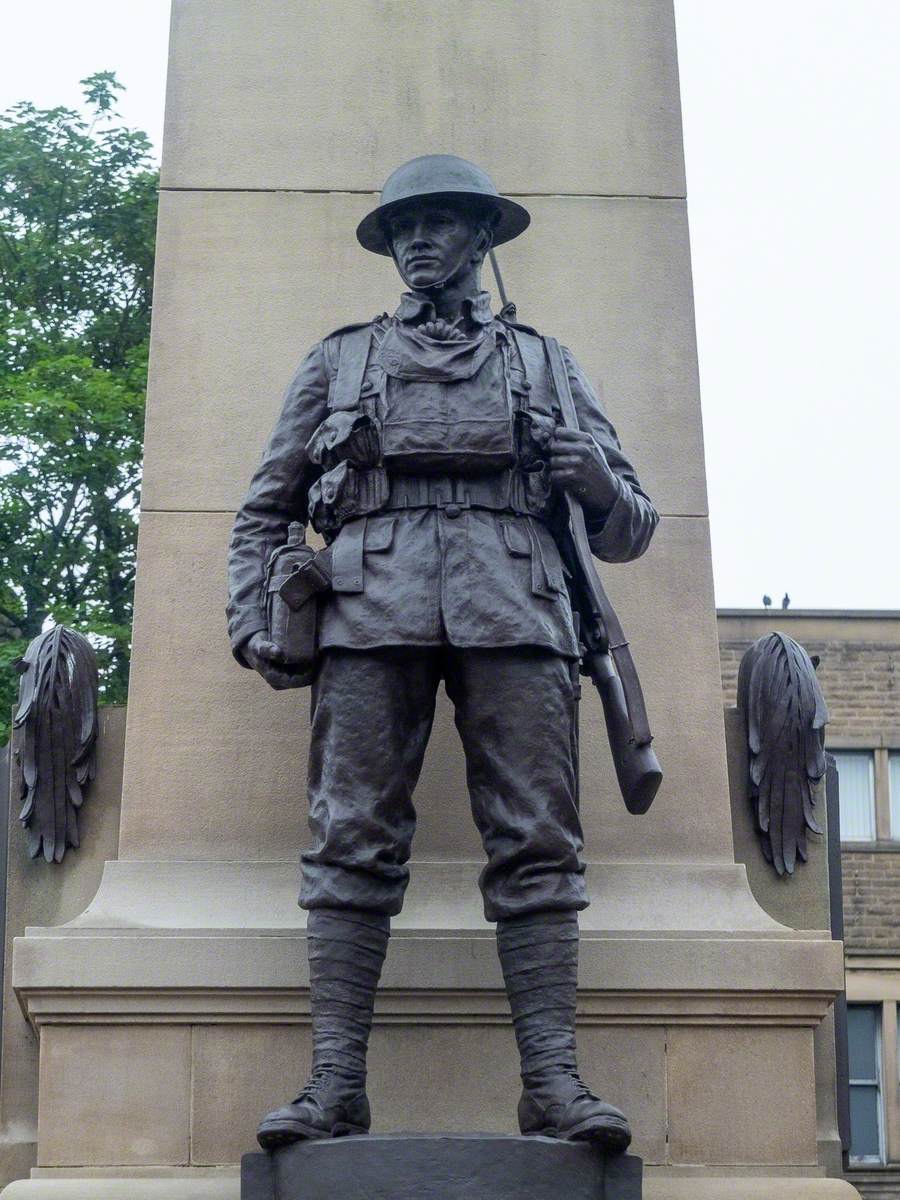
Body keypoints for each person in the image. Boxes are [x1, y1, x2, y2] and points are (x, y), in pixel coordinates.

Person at [227, 155, 658, 1153]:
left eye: (438, 223)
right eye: (402, 228)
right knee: (348, 840)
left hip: (519, 605)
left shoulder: (548, 363)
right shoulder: (338, 361)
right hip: (367, 607)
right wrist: (253, 617)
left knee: (541, 844)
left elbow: (631, 529)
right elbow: (263, 509)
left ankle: (552, 1083)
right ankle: (335, 1084)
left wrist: (595, 480)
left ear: (481, 238)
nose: (417, 241)